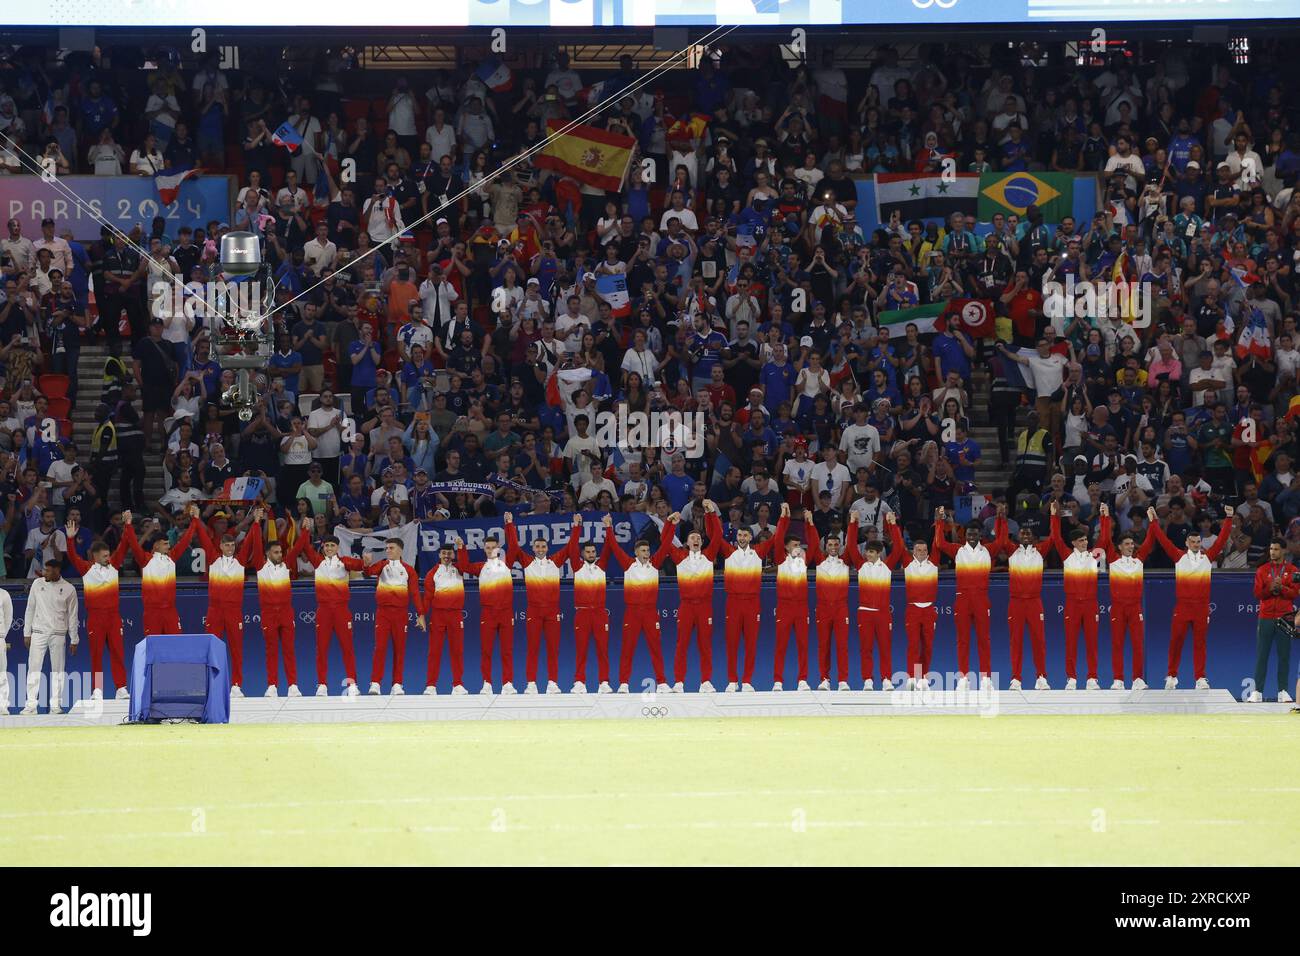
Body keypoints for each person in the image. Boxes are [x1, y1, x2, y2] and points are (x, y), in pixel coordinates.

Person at [1146, 505, 1234, 689]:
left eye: (1198, 542)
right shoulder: (1179, 557)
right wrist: (1153, 521)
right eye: (1192, 542)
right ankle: (1171, 675)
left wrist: (1229, 518)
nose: (1196, 544)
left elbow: (1223, 539)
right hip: (1183, 607)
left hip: (1201, 608)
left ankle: (1200, 678)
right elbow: (1162, 540)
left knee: (1200, 644)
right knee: (1176, 642)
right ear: (1186, 543)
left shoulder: (1207, 558)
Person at [606, 517, 679, 694]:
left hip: (650, 613)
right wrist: (609, 527)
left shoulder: (655, 564)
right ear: (636, 552)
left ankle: (662, 683)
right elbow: (614, 548)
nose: (647, 553)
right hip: (632, 612)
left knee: (656, 647)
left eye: (647, 550)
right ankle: (623, 683)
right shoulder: (628, 564)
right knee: (627, 648)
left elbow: (666, 543)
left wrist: (672, 524)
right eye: (643, 550)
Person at [709, 509, 779, 691]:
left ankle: (747, 680)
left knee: (751, 643)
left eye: (745, 535)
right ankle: (732, 681)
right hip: (733, 602)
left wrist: (785, 517)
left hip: (752, 602)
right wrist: (711, 514)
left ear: (750, 537)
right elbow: (714, 535)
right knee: (731, 643)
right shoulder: (729, 552)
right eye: (739, 534)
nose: (741, 538)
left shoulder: (758, 552)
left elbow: (775, 538)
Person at [191, 513, 259, 697]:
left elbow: (251, 540)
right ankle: (210, 684)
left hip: (234, 611)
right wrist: (196, 519)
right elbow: (204, 538)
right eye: (226, 545)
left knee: (236, 649)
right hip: (215, 611)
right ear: (220, 546)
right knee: (211, 647)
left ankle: (236, 685)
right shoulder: (213, 560)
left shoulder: (240, 562)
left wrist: (256, 521)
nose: (230, 548)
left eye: (232, 545)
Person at [63, 519, 131, 700]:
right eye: (104, 556)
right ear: (94, 557)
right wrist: (70, 540)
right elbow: (72, 556)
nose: (108, 558)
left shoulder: (114, 566)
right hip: (96, 617)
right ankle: (97, 690)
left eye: (108, 555)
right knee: (96, 654)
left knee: (118, 652)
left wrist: (128, 525)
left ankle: (121, 687)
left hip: (113, 616)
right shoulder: (86, 569)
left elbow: (124, 546)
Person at [992, 502, 1056, 690]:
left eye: (1028, 534)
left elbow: (1053, 538)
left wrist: (1054, 517)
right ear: (1018, 536)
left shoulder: (1040, 552)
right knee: (1016, 641)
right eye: (1022, 533)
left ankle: (1041, 677)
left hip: (1035, 602)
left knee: (1039, 641)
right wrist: (1000, 518)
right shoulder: (1012, 552)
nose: (1025, 535)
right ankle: (1016, 679)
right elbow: (1002, 540)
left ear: (1035, 539)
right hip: (1016, 603)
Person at [298, 526, 368, 696]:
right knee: (321, 648)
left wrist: (365, 561)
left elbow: (359, 565)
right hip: (323, 611)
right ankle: (322, 684)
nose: (329, 548)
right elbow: (305, 547)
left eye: (332, 546)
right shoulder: (318, 562)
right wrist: (306, 530)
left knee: (347, 648)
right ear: (323, 547)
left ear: (337, 548)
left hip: (341, 611)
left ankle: (352, 685)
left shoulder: (344, 562)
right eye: (326, 545)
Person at [932, 507, 997, 689]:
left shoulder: (988, 551)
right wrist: (939, 521)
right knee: (963, 640)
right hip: (963, 599)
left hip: (982, 599)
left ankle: (986, 678)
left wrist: (1001, 518)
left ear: (980, 535)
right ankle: (963, 678)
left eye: (975, 534)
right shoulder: (958, 551)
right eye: (969, 534)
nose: (971, 537)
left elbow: (1003, 541)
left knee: (984, 639)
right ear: (965, 535)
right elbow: (939, 543)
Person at [663, 501, 724, 693]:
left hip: (704, 606)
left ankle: (706, 681)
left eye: (698, 537)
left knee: (705, 645)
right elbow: (665, 542)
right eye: (692, 537)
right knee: (682, 645)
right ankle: (679, 682)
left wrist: (712, 513)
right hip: (687, 606)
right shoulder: (680, 557)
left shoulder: (708, 556)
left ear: (702, 541)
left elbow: (719, 536)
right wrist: (669, 523)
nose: (696, 539)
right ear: (687, 543)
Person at [504, 511, 568, 694]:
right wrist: (510, 524)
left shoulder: (555, 562)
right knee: (532, 649)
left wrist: (577, 526)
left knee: (552, 649)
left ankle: (552, 683)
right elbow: (514, 546)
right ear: (533, 548)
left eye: (543, 546)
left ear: (547, 548)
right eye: (537, 546)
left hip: (552, 611)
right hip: (533, 611)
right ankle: (531, 683)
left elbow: (571, 546)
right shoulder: (527, 562)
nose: (540, 549)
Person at [842, 509, 904, 690]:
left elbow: (899, 548)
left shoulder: (887, 567)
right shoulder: (861, 566)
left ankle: (886, 679)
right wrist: (853, 522)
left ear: (878, 553)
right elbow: (851, 547)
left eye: (871, 552)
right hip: (865, 613)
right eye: (867, 551)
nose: (868, 554)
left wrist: (892, 524)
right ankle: (868, 679)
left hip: (883, 614)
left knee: (885, 648)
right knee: (866, 648)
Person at [246, 522, 308, 697]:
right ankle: (272, 685)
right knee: (271, 650)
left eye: (280, 552)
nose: (280, 555)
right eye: (276, 552)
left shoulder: (287, 564)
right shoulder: (260, 566)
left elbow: (299, 546)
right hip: (269, 614)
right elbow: (256, 544)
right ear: (267, 554)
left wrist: (305, 529)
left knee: (289, 650)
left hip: (286, 613)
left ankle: (293, 685)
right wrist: (256, 523)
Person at [1098, 503, 1155, 691]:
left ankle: (1138, 679)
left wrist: (1153, 520)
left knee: (1138, 644)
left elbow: (1150, 539)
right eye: (1127, 544)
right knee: (1117, 644)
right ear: (1120, 547)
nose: (1131, 546)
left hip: (1135, 608)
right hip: (1118, 608)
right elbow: (1105, 539)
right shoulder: (1114, 560)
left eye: (1132, 544)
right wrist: (1105, 517)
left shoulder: (1139, 561)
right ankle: (1118, 680)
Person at [450, 527, 514, 693]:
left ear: (498, 548)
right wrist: (461, 548)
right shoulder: (481, 567)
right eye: (488, 547)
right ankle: (487, 683)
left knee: (507, 651)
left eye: (494, 547)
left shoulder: (507, 564)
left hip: (506, 612)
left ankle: (507, 683)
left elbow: (514, 545)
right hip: (488, 613)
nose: (491, 550)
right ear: (485, 549)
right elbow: (463, 566)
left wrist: (509, 525)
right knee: (486, 651)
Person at [122, 507, 200, 636]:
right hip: (152, 612)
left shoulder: (172, 557)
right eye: (165, 544)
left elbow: (186, 540)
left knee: (176, 643)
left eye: (168, 543)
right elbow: (134, 545)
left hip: (170, 610)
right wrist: (128, 525)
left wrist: (195, 520)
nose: (168, 546)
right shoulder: (145, 560)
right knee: (153, 646)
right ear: (156, 545)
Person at [1050, 515, 1105, 690]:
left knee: (1092, 643)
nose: (1085, 542)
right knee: (1071, 643)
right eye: (1081, 540)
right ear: (1073, 543)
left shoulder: (1094, 556)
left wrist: (1104, 517)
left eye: (1086, 540)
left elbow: (1104, 539)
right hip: (1072, 604)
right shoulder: (1067, 557)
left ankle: (1092, 678)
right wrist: (1053, 516)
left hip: (1090, 604)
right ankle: (1071, 678)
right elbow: (1056, 537)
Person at [364, 538, 424, 695]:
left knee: (399, 649)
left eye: (391, 548)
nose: (388, 550)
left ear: (400, 550)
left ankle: (397, 683)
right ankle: (375, 683)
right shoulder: (382, 565)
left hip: (400, 614)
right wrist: (366, 563)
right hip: (383, 613)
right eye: (387, 548)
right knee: (380, 648)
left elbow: (415, 593)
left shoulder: (409, 570)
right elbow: (369, 572)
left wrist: (421, 614)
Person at [20, 559, 79, 715]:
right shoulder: (37, 584)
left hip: (59, 634)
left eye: (47, 570)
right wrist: (27, 633)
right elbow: (30, 608)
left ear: (57, 570)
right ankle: (31, 705)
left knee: (58, 671)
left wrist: (74, 639)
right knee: (33, 668)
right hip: (38, 632)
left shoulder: (69, 589)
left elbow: (73, 616)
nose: (44, 572)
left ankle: (55, 705)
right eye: (44, 570)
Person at [807, 508, 857, 691]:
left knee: (842, 645)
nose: (834, 548)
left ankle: (843, 680)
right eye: (830, 545)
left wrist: (852, 523)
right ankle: (824, 679)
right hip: (823, 609)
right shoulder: (819, 561)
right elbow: (812, 541)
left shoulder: (845, 561)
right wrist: (810, 523)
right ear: (825, 546)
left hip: (840, 608)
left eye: (836, 545)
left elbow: (851, 543)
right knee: (824, 645)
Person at [565, 514, 615, 693]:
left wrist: (608, 527)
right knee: (582, 649)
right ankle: (579, 682)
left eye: (594, 552)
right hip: (582, 613)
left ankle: (604, 682)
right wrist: (576, 526)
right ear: (582, 554)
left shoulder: (601, 566)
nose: (591, 554)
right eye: (588, 552)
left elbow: (609, 547)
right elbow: (571, 547)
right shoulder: (577, 567)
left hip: (600, 613)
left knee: (603, 649)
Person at [1250, 539, 1298, 703]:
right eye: (1271, 549)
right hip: (1266, 617)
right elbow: (1257, 594)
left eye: (1276, 549)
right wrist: (1270, 588)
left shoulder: (1293, 570)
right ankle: (1257, 691)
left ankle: (1283, 691)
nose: (1272, 552)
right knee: (1262, 655)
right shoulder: (1262, 570)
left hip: (1285, 619)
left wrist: (1282, 588)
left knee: (1284, 656)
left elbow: (1294, 594)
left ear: (1283, 551)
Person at [421, 541, 471, 694]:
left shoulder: (459, 569)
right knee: (434, 651)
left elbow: (465, 564)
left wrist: (461, 548)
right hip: (438, 615)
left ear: (453, 555)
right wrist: (422, 614)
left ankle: (457, 684)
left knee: (457, 651)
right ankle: (431, 685)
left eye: (449, 553)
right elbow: (428, 597)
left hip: (455, 615)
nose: (446, 556)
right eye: (444, 553)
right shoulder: (432, 573)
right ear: (439, 555)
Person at [0, 586, 10, 711]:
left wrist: (2, 635)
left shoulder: (4, 594)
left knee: (1, 673)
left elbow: (8, 617)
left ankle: (2, 706)